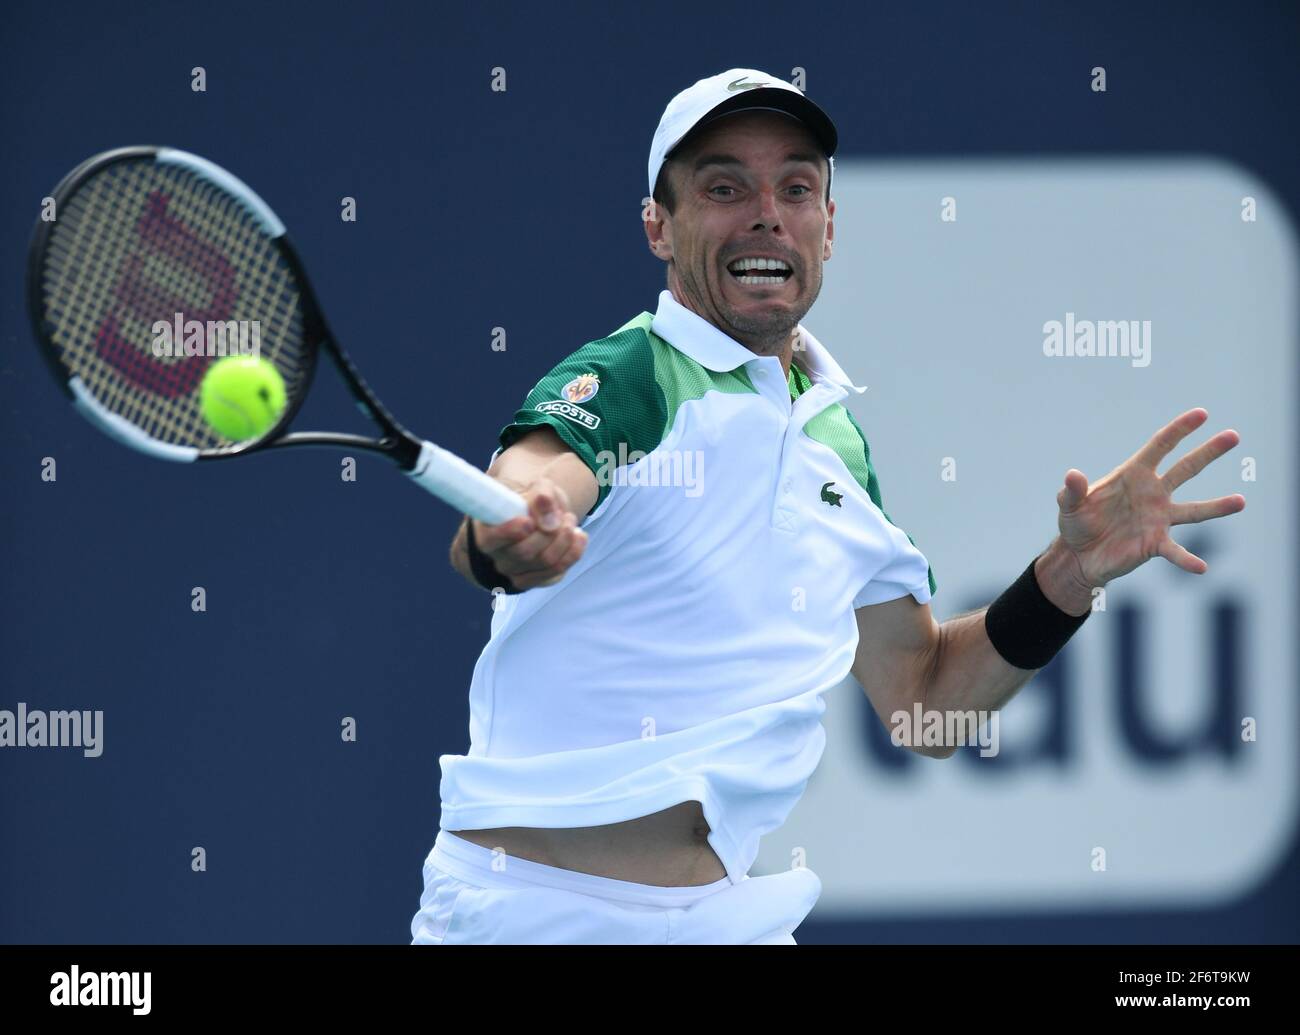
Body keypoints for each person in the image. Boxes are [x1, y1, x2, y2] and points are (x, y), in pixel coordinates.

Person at [410, 68, 1245, 945]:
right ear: (659, 225)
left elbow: (925, 700)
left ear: (829, 226)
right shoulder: (632, 375)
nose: (766, 215)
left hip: (727, 921)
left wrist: (1069, 574)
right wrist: (515, 530)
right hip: (533, 914)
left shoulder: (833, 439)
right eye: (724, 188)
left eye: (796, 188)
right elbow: (527, 488)